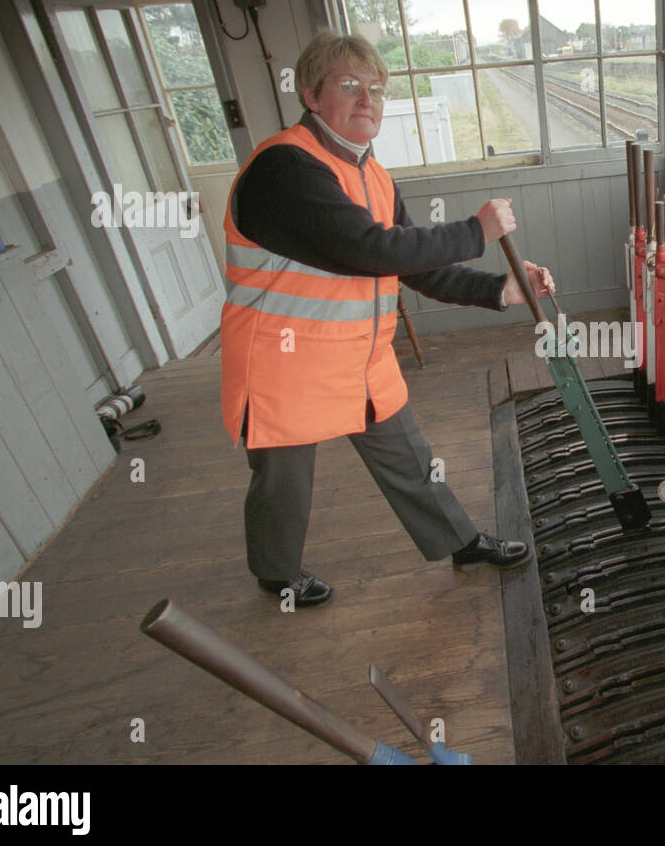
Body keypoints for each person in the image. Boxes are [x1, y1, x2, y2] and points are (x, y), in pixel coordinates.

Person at [219, 31, 554, 607]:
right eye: (349, 86)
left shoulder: (372, 174)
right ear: (310, 93)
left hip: (359, 360)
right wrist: (475, 232)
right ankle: (277, 573)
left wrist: (498, 290)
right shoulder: (285, 167)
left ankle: (461, 540)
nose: (366, 99)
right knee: (283, 483)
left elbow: (411, 268)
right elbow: (373, 248)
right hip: (285, 363)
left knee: (412, 460)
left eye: (376, 88)